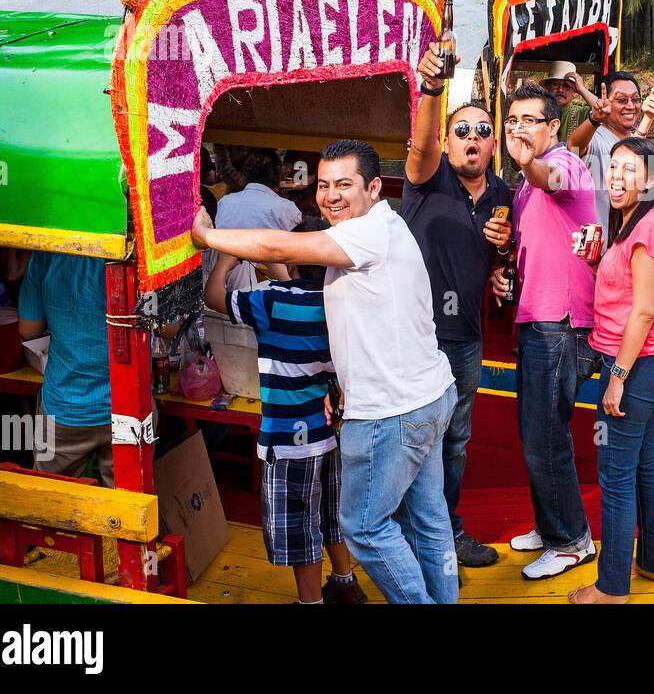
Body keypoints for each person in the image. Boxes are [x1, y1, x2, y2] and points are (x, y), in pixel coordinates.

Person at [191, 139, 459, 604]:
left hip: (392, 413)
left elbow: (282, 245)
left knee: (365, 529)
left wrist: (208, 238)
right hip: (429, 396)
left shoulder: (366, 232)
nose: (331, 195)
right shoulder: (381, 226)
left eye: (344, 185)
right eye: (322, 185)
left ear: (374, 187)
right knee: (429, 520)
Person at [402, 43, 513, 569]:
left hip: (465, 340)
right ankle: (409, 541)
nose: (471, 138)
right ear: (447, 143)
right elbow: (420, 146)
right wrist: (430, 88)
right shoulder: (428, 180)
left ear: (494, 145)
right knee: (409, 440)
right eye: (460, 131)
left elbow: (502, 262)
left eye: (481, 131)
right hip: (414, 337)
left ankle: (445, 535)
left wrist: (503, 268)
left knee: (455, 443)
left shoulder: (503, 196)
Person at [204, 252, 365, 604]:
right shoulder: (341, 302)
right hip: (326, 432)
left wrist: (227, 262)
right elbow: (297, 279)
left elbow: (212, 297)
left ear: (292, 265)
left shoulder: (272, 301)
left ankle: (310, 601)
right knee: (329, 514)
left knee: (298, 527)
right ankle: (344, 582)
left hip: (288, 441)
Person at [570, 138, 654, 604]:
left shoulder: (649, 229)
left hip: (639, 359)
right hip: (644, 357)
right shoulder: (629, 222)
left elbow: (643, 312)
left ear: (652, 181)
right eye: (613, 166)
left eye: (631, 169)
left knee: (616, 474)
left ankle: (612, 586)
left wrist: (617, 376)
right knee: (645, 459)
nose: (617, 176)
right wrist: (599, 260)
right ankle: (653, 562)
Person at [495, 83, 599, 580]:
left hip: (560, 323)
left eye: (530, 120)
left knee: (545, 437)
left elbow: (549, 175)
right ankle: (550, 522)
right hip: (536, 318)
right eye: (512, 119)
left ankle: (572, 540)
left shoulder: (566, 165)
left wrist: (524, 163)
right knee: (534, 432)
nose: (517, 128)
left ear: (554, 126)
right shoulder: (523, 184)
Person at [17, 253, 116, 486]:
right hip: (127, 407)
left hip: (65, 405)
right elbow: (169, 328)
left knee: (53, 502)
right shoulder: (137, 254)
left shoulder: (45, 255)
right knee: (128, 506)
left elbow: (28, 330)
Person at [566, 70, 654, 240]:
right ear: (606, 103)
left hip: (629, 247)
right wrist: (594, 119)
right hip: (595, 253)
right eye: (622, 100)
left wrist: (648, 118)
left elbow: (646, 194)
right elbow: (573, 147)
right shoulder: (596, 141)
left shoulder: (637, 145)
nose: (631, 106)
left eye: (635, 99)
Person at [215, 148, 301, 287]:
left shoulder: (225, 202)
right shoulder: (287, 209)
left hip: (223, 281)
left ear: (245, 176)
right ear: (278, 180)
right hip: (271, 286)